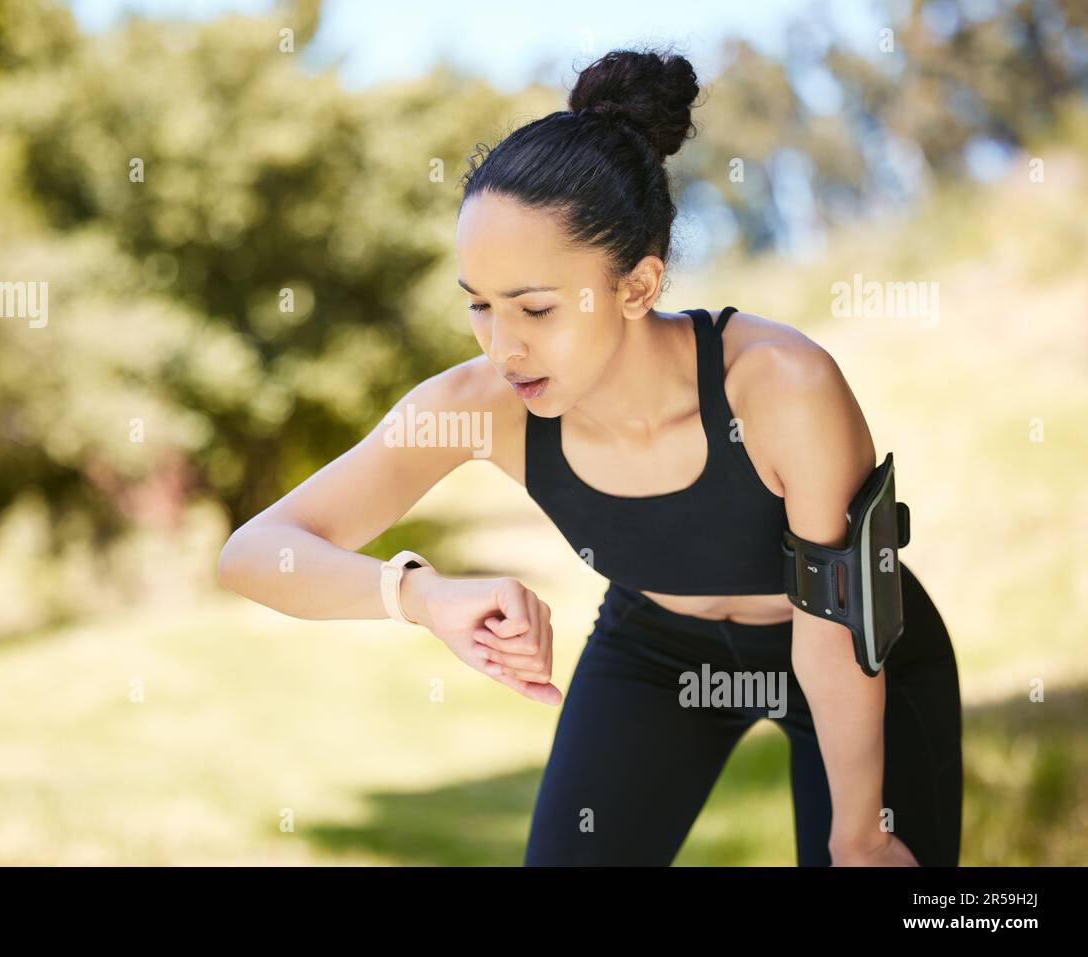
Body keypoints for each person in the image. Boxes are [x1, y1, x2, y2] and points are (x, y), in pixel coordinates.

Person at [217, 46, 963, 867]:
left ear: (637, 287)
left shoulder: (780, 384)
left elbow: (835, 622)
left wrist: (859, 834)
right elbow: (254, 553)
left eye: (535, 307)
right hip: (654, 651)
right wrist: (418, 595)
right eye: (480, 306)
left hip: (854, 650)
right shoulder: (477, 409)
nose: (504, 346)